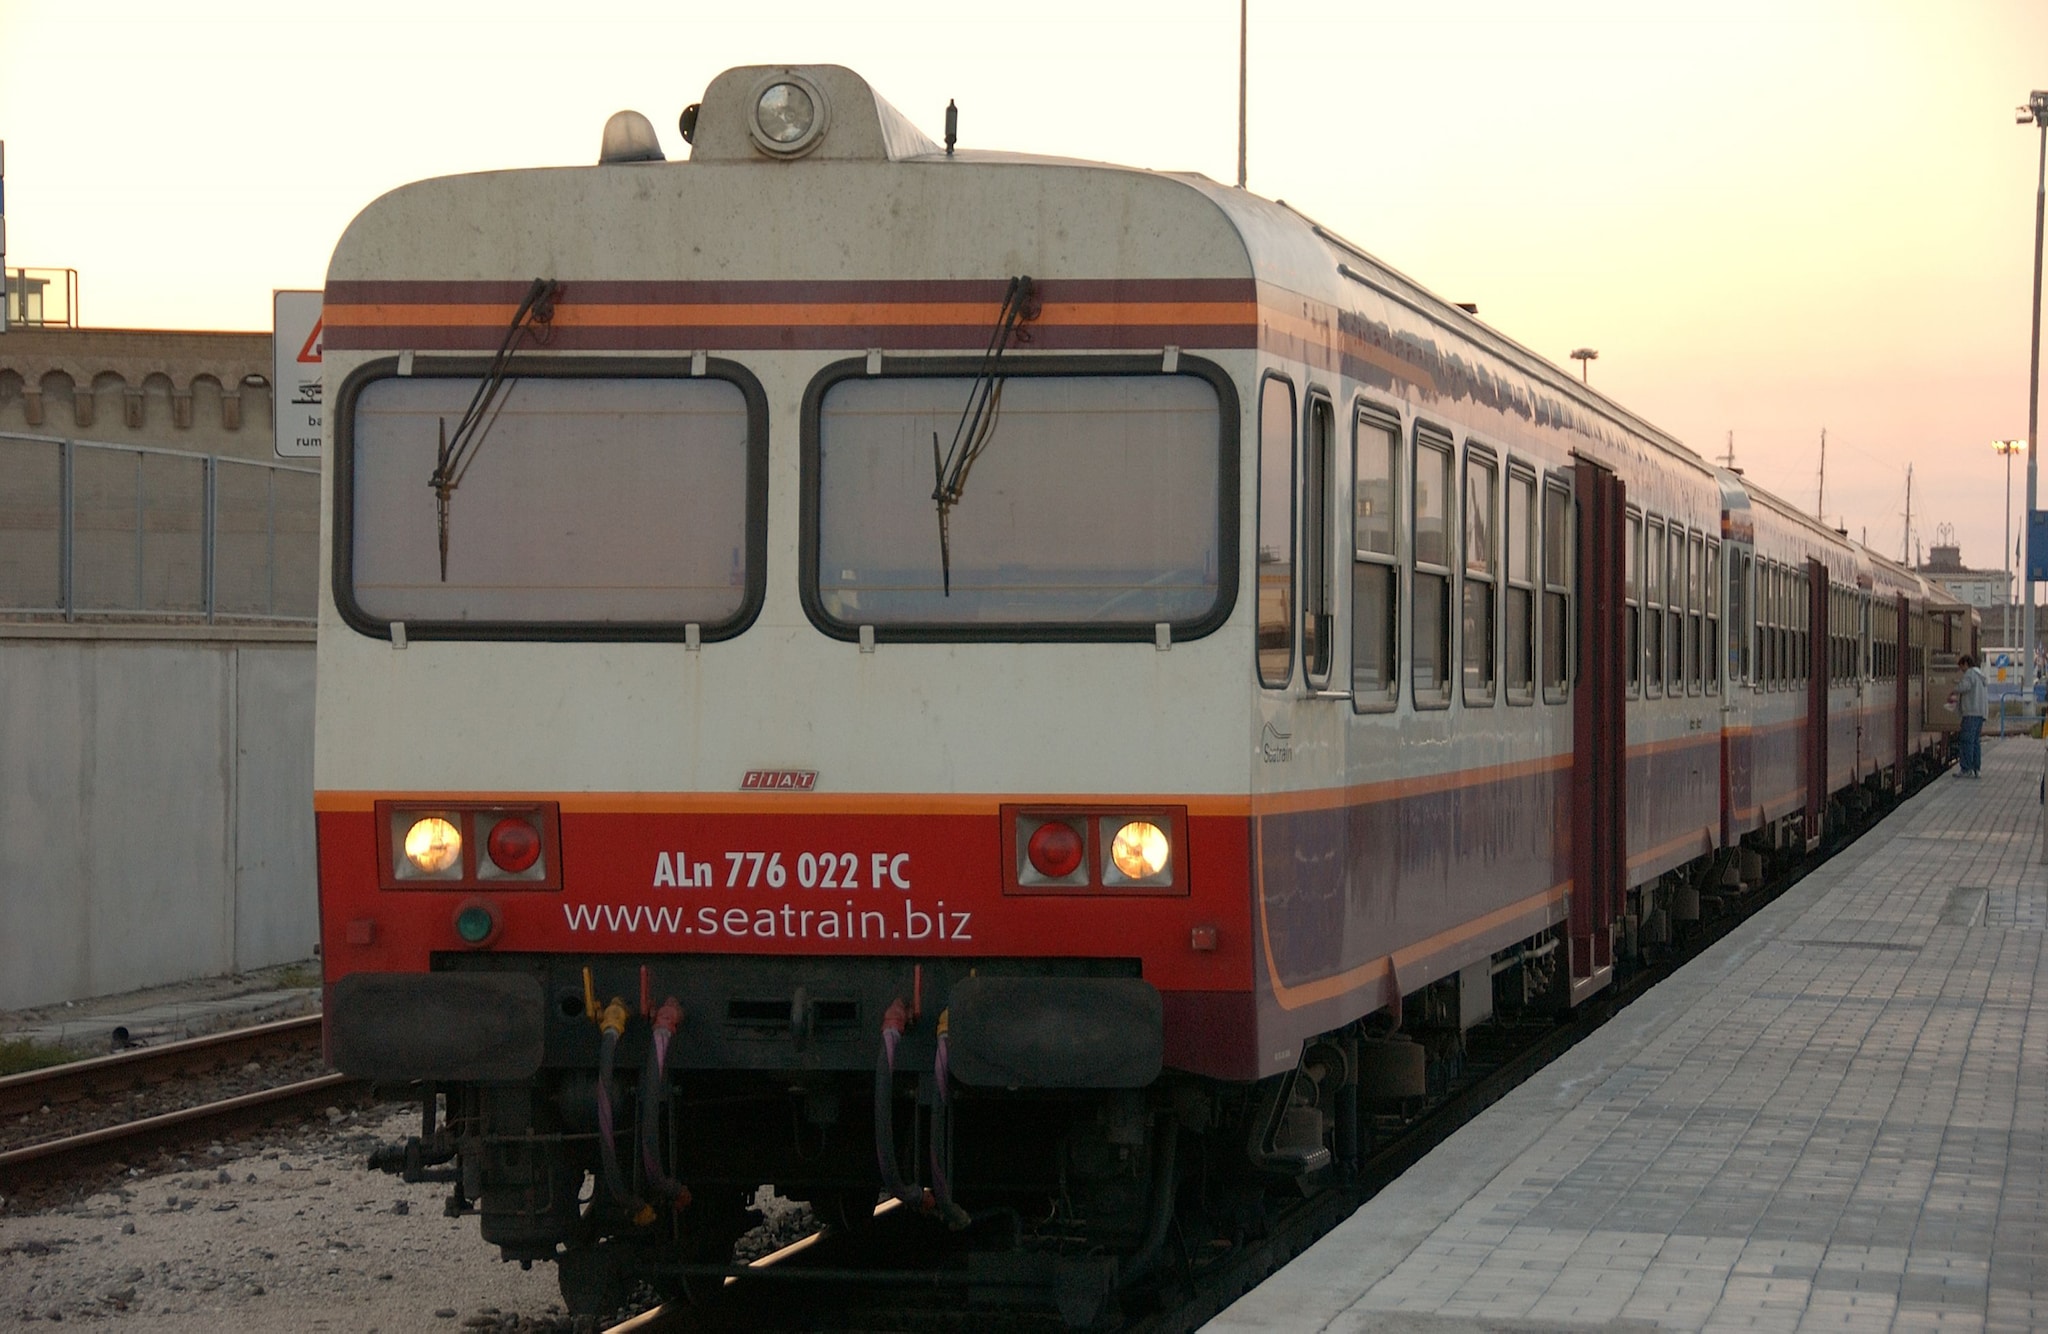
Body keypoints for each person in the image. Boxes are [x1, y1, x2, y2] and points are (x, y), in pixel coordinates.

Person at [1951, 653, 1989, 777]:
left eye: (1961, 667)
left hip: (1971, 712)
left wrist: (1954, 688)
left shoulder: (1970, 674)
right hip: (1980, 713)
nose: (1961, 671)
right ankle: (1976, 768)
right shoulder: (1980, 674)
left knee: (1966, 741)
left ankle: (1966, 768)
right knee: (1975, 742)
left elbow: (1964, 687)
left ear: (1966, 664)